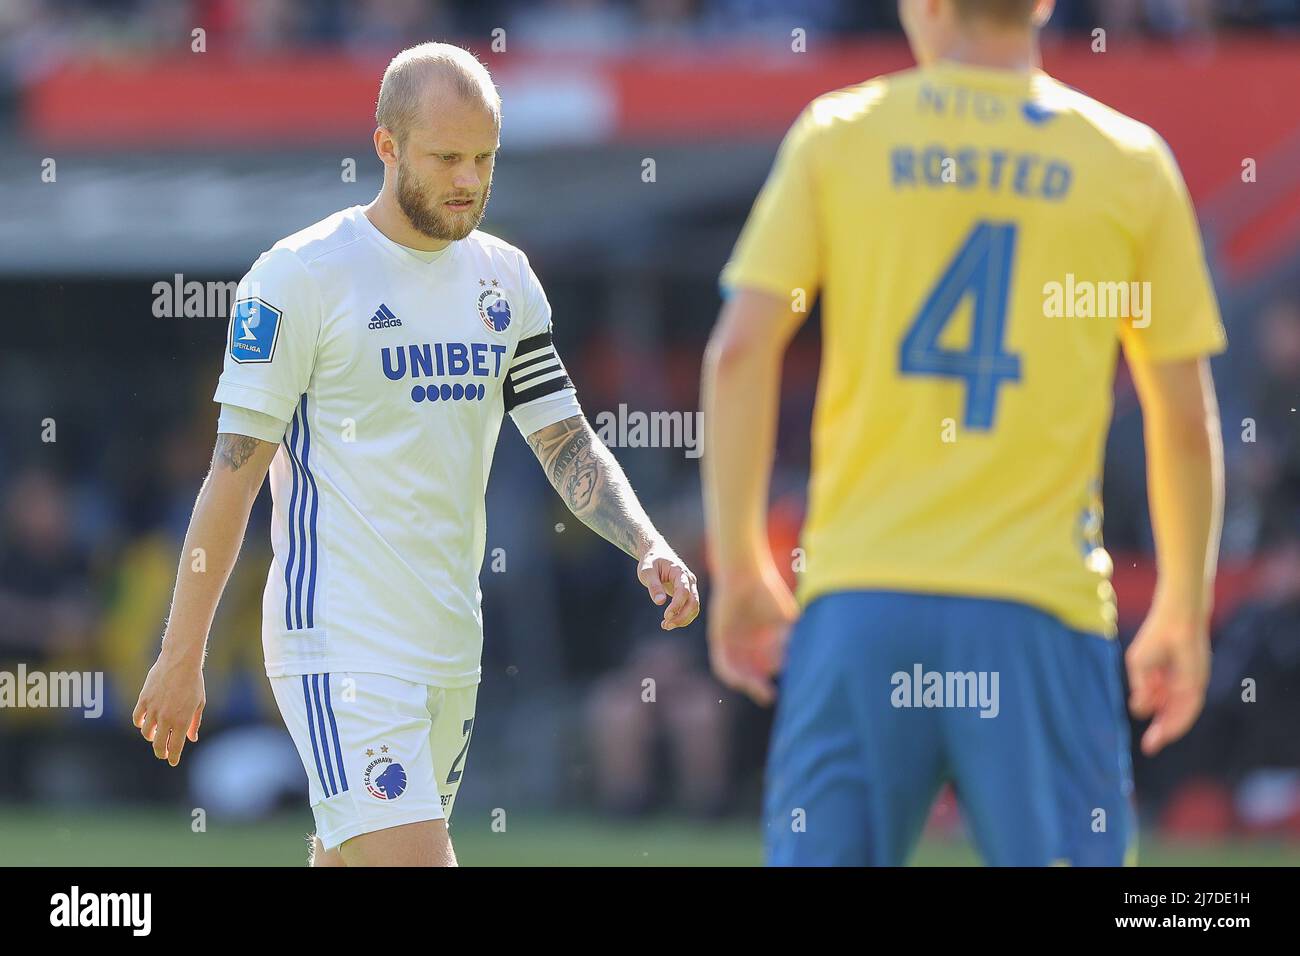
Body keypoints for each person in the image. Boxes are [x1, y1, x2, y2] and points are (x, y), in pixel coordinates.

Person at [132, 42, 699, 867]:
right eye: (446, 157)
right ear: (387, 146)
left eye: (484, 158)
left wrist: (645, 541)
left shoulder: (506, 280)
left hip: (448, 642)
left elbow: (564, 438)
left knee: (351, 857)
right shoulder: (298, 277)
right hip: (339, 644)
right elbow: (233, 475)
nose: (467, 179)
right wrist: (180, 656)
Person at [702, 0, 1225, 865]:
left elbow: (739, 354)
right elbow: (1183, 419)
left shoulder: (841, 135)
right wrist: (1182, 608)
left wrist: (742, 564)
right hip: (1039, 608)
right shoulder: (1127, 161)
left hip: (861, 601)